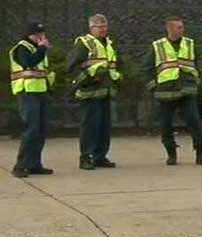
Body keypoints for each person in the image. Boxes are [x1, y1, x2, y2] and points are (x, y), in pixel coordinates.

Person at [146, 16, 202, 166]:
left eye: (182, 27)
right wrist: (153, 86)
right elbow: (146, 69)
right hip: (165, 92)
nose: (182, 30)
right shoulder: (158, 46)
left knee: (195, 121)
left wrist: (196, 81)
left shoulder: (189, 44)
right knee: (166, 125)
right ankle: (171, 154)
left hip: (187, 90)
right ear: (169, 29)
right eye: (179, 27)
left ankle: (201, 154)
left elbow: (196, 64)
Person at [66, 14, 121, 170]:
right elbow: (71, 68)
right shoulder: (84, 44)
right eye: (100, 27)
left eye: (105, 26)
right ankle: (86, 157)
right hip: (90, 93)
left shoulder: (109, 44)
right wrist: (87, 79)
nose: (103, 29)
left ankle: (100, 156)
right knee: (90, 126)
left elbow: (116, 64)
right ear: (91, 28)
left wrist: (118, 78)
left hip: (106, 91)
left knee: (104, 126)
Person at [9, 23, 55, 177]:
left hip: (40, 92)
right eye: (39, 34)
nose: (42, 37)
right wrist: (42, 49)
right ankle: (21, 166)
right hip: (27, 93)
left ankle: (34, 164)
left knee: (41, 129)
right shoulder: (22, 48)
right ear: (31, 35)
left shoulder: (38, 48)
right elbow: (29, 62)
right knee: (31, 129)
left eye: (43, 33)